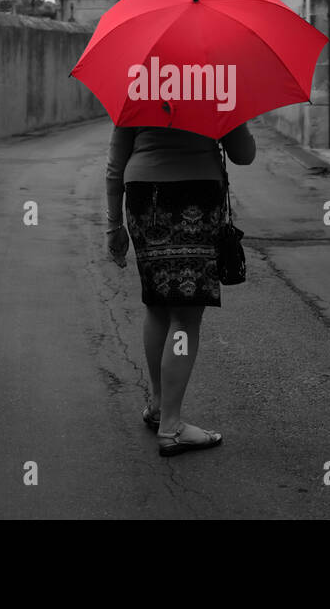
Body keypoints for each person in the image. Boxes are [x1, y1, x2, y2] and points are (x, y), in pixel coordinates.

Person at [105, 122, 256, 457]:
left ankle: (159, 405)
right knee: (186, 316)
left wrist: (114, 224)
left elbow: (115, 162)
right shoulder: (216, 77)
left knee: (157, 305)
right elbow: (244, 155)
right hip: (196, 196)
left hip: (143, 197)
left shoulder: (136, 75)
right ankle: (171, 427)